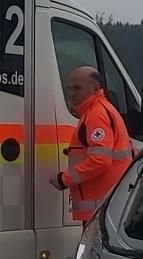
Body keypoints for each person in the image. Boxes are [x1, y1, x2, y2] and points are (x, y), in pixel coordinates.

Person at [54, 65, 134, 226]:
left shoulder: (96, 116)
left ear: (96, 88)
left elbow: (100, 161)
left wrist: (63, 179)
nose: (71, 93)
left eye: (77, 88)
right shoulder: (99, 111)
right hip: (107, 204)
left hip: (100, 207)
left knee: (91, 250)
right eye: (69, 88)